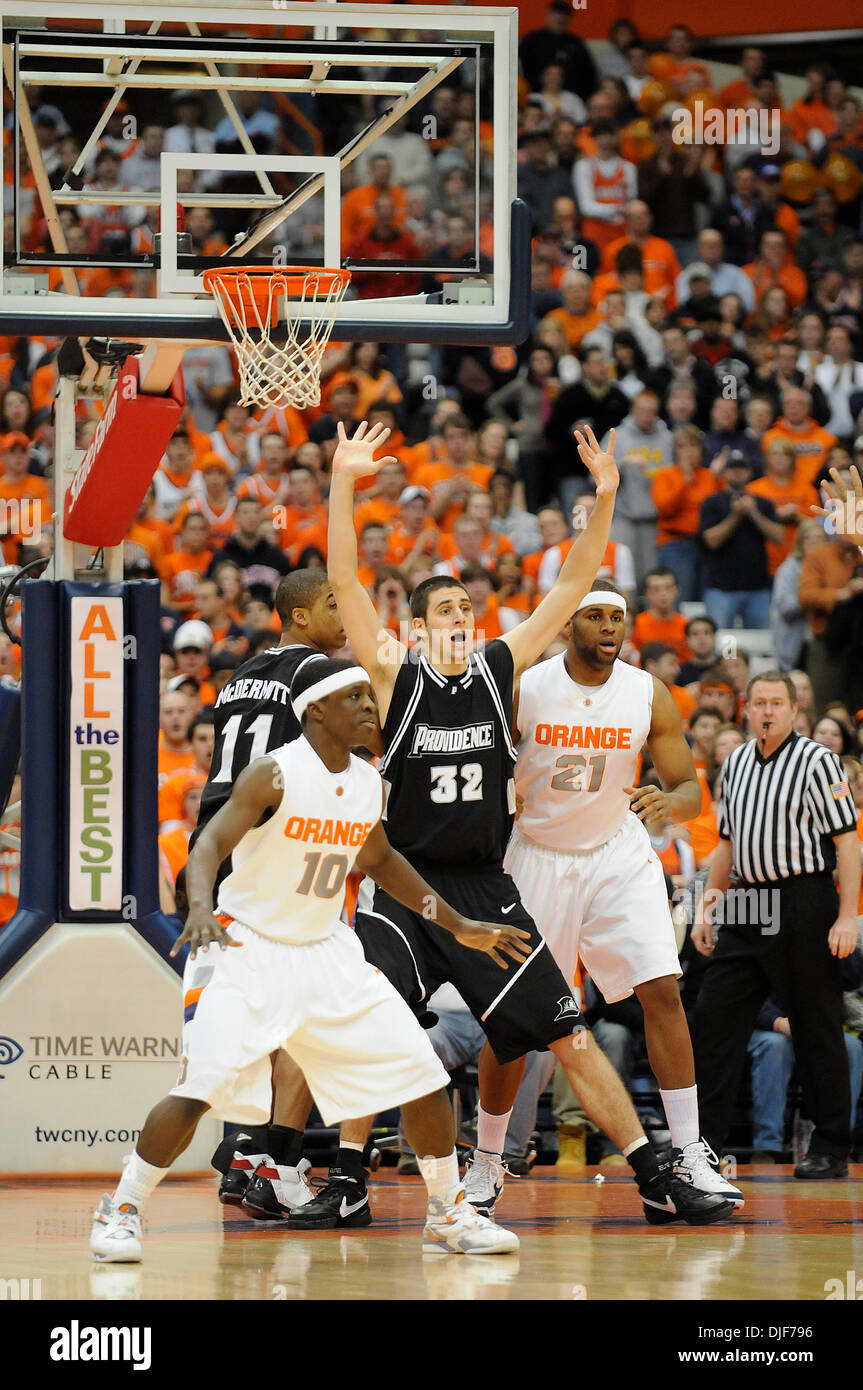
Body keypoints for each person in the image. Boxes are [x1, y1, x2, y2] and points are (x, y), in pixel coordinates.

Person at [326, 419, 736, 1227]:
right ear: (414, 625)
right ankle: (344, 1174)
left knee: (566, 1030)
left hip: (486, 882)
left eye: (464, 606)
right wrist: (343, 482)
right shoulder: (391, 673)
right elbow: (343, 582)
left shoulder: (499, 665)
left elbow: (575, 577)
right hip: (404, 883)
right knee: (376, 1020)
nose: (456, 615)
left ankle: (657, 1170)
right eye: (441, 607)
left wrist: (607, 495)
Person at [90, 657, 530, 1263]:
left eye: (368, 697)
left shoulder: (366, 781)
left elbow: (380, 861)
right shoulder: (273, 773)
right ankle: (123, 1208)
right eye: (354, 696)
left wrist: (458, 926)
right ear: (316, 709)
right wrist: (197, 905)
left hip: (326, 952)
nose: (369, 705)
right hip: (245, 947)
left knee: (422, 1074)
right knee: (200, 1088)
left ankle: (447, 1212)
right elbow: (212, 842)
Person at [503, 577, 741, 1204]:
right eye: (597, 616)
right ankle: (488, 1159)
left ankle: (689, 1150)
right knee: (515, 1019)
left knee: (662, 987)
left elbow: (689, 788)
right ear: (570, 624)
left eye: (619, 617)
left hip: (617, 852)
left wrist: (671, 801)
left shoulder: (647, 692)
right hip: (537, 855)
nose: (611, 627)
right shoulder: (527, 686)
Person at [692, 672, 861, 1178]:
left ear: (793, 711)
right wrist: (706, 907)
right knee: (713, 1019)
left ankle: (830, 1145)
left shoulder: (819, 762)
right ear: (746, 710)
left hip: (805, 897)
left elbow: (847, 843)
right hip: (747, 900)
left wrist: (847, 914)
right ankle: (701, 1144)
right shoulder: (736, 762)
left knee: (817, 1025)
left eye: (776, 703)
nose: (767, 711)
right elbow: (724, 843)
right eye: (759, 702)